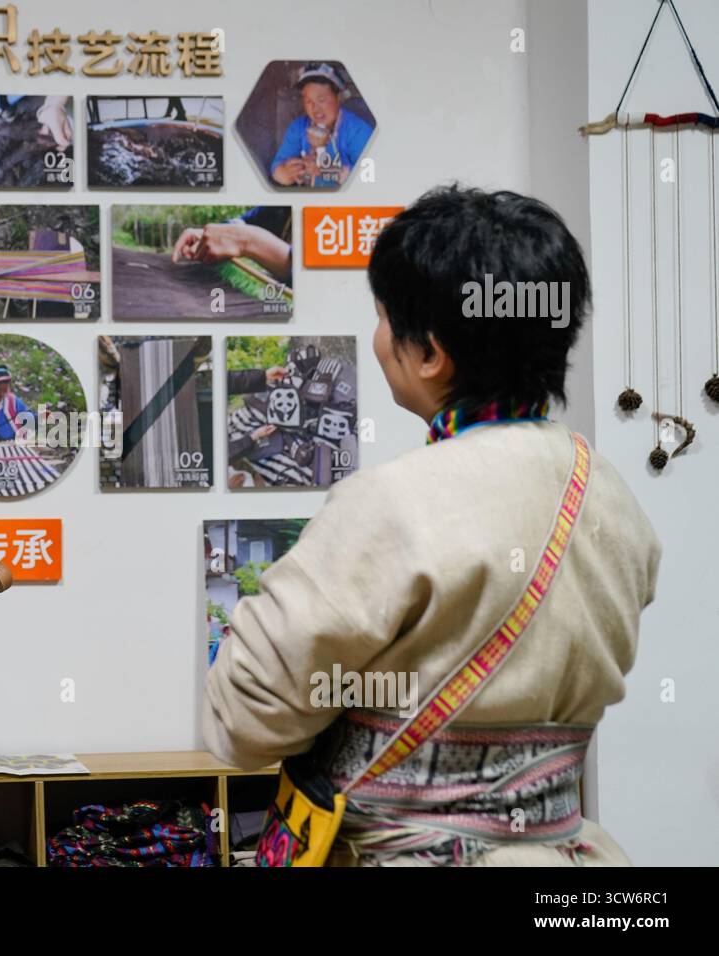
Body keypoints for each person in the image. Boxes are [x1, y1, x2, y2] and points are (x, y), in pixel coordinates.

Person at [202, 186, 661, 866]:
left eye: (384, 318)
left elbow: (246, 720)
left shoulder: (392, 504)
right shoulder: (613, 498)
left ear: (429, 356)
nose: (377, 338)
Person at [270, 62, 374, 187]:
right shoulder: (298, 127)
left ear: (338, 97)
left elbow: (369, 174)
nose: (315, 108)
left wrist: (327, 170)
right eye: (308, 101)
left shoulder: (357, 130)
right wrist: (286, 173)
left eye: (321, 100)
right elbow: (276, 168)